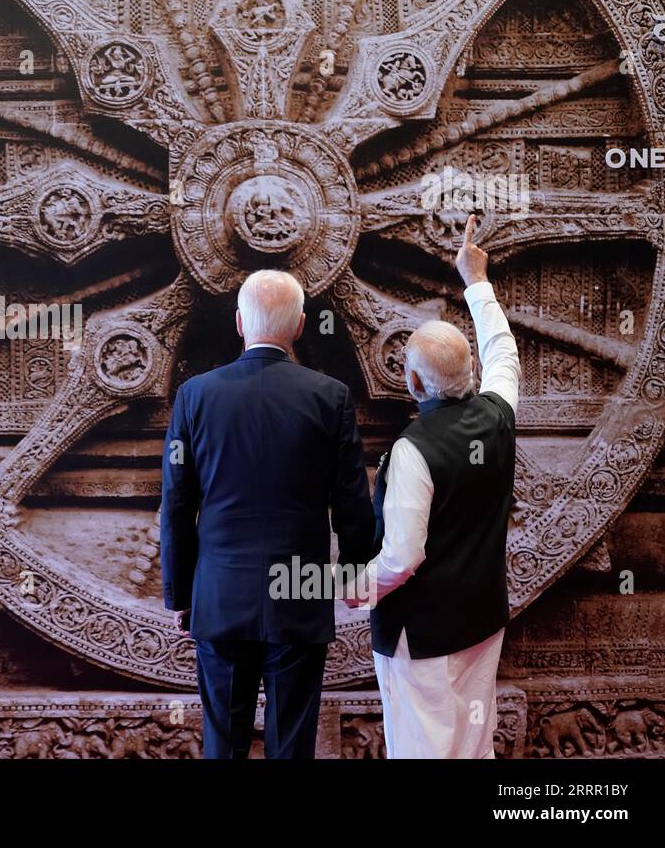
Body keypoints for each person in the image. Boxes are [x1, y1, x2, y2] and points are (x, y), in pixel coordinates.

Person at [161, 269, 375, 758]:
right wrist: (354, 577)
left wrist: (180, 591)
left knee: (223, 741)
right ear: (300, 326)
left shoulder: (196, 395)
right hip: (300, 594)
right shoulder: (331, 397)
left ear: (239, 322)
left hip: (219, 594)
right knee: (293, 743)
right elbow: (351, 502)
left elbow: (176, 502)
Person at [343, 214, 520, 758]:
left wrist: (353, 590)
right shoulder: (499, 413)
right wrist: (476, 281)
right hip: (481, 620)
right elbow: (504, 352)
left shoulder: (411, 451)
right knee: (472, 741)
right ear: (471, 371)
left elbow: (401, 558)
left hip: (421, 635)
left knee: (423, 748)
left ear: (413, 382)